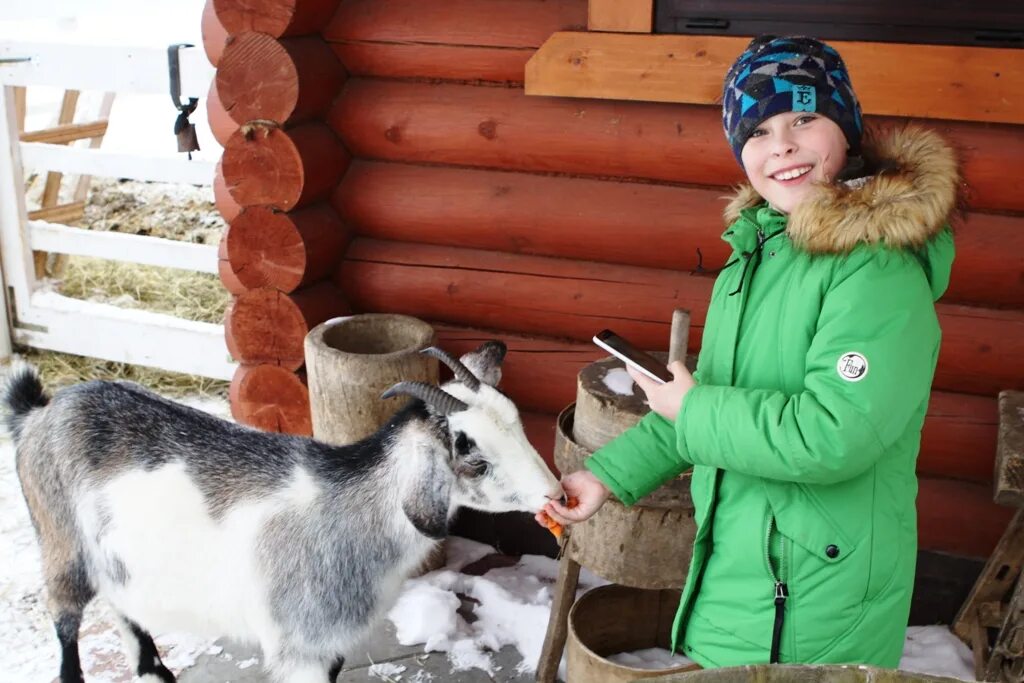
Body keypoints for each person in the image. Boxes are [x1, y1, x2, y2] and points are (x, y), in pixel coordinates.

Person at [538, 35, 959, 668]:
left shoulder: (876, 272)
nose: (781, 144)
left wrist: (695, 405)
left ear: (845, 132)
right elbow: (706, 411)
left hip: (815, 601)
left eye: (804, 118)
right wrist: (606, 475)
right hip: (739, 571)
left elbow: (833, 434)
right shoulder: (757, 255)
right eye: (757, 131)